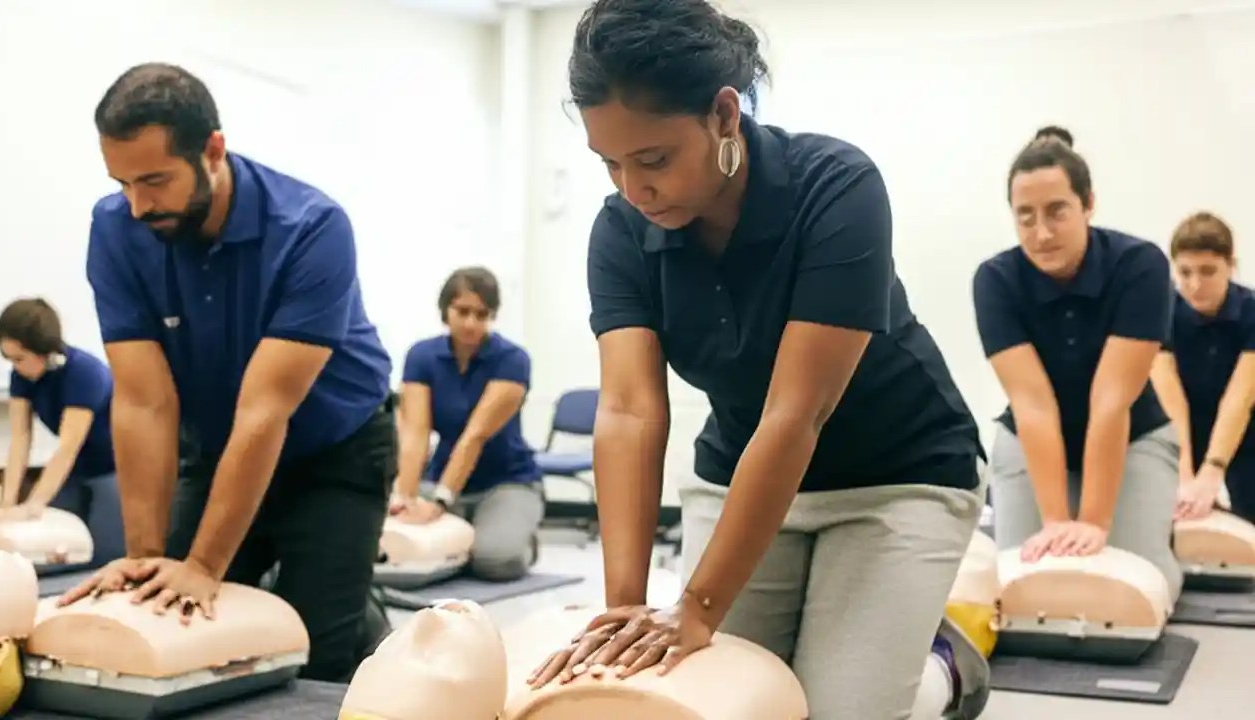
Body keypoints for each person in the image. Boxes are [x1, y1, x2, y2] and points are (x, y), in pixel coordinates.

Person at [527, 2, 988, 717]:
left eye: (653, 160)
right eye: (610, 163)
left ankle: (945, 664)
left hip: (900, 477)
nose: (632, 189)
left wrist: (701, 603)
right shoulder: (621, 229)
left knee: (839, 709)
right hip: (741, 474)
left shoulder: (835, 186)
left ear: (723, 114)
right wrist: (624, 609)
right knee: (716, 698)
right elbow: (627, 411)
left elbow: (796, 411)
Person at [56, 62, 395, 683]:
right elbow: (143, 403)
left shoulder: (312, 227)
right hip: (216, 447)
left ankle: (356, 614)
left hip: (334, 452)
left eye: (155, 180)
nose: (137, 204)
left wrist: (206, 566)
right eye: (123, 183)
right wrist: (144, 555)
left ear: (212, 150)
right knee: (168, 617)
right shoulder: (116, 228)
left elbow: (266, 410)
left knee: (312, 658)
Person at [972, 128, 1183, 601]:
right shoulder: (995, 280)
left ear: (1088, 204)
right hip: (1032, 436)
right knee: (1023, 580)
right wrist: (1056, 522)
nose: (1041, 233)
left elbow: (1111, 401)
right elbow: (1033, 405)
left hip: (1134, 436)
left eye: (1056, 212)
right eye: (1025, 217)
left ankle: (1160, 548)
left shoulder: (1141, 266)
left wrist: (1092, 523)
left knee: (1136, 583)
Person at [392, 267, 544, 581]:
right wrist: (404, 498)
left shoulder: (513, 360)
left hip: (507, 483)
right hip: (442, 478)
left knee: (495, 562)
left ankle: (519, 539)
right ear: (445, 310)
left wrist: (440, 501)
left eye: (481, 313)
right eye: (462, 311)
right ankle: (464, 536)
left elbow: (474, 437)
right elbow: (415, 434)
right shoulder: (421, 356)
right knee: (400, 546)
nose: (471, 323)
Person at [0, 298, 125, 567]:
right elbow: (20, 440)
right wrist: (7, 503)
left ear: (44, 351)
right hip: (76, 470)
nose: (15, 366)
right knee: (54, 550)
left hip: (114, 466)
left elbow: (67, 448)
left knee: (106, 554)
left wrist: (33, 504)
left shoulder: (84, 372)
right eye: (9, 359)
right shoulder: (21, 377)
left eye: (19, 358)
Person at [1151, 212, 1255, 522]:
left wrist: (1213, 470)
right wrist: (1183, 476)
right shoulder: (1160, 312)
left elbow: (1241, 396)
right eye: (1185, 272)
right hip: (1184, 427)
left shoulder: (1251, 312)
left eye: (1208, 271)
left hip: (1247, 431)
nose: (1195, 284)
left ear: (1231, 266)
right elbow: (1171, 400)